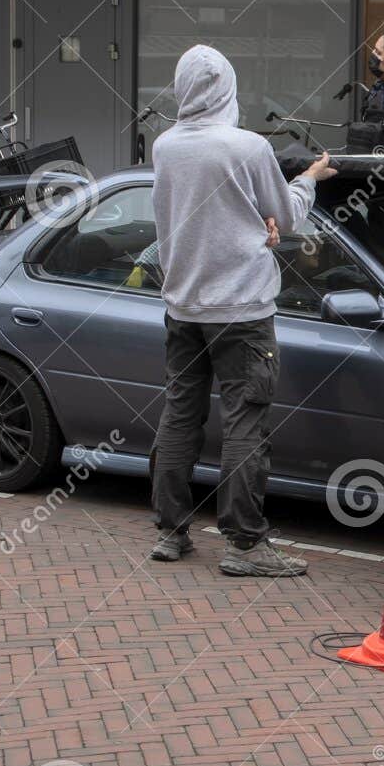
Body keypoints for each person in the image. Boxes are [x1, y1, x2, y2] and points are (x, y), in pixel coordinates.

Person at [148, 44, 336, 575]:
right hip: (242, 311)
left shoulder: (166, 147)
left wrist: (256, 223)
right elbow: (287, 217)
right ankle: (245, 545)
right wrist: (308, 180)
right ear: (227, 87)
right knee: (245, 423)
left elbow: (215, 212)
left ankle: (170, 531)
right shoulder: (248, 147)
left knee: (180, 415)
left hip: (183, 305)